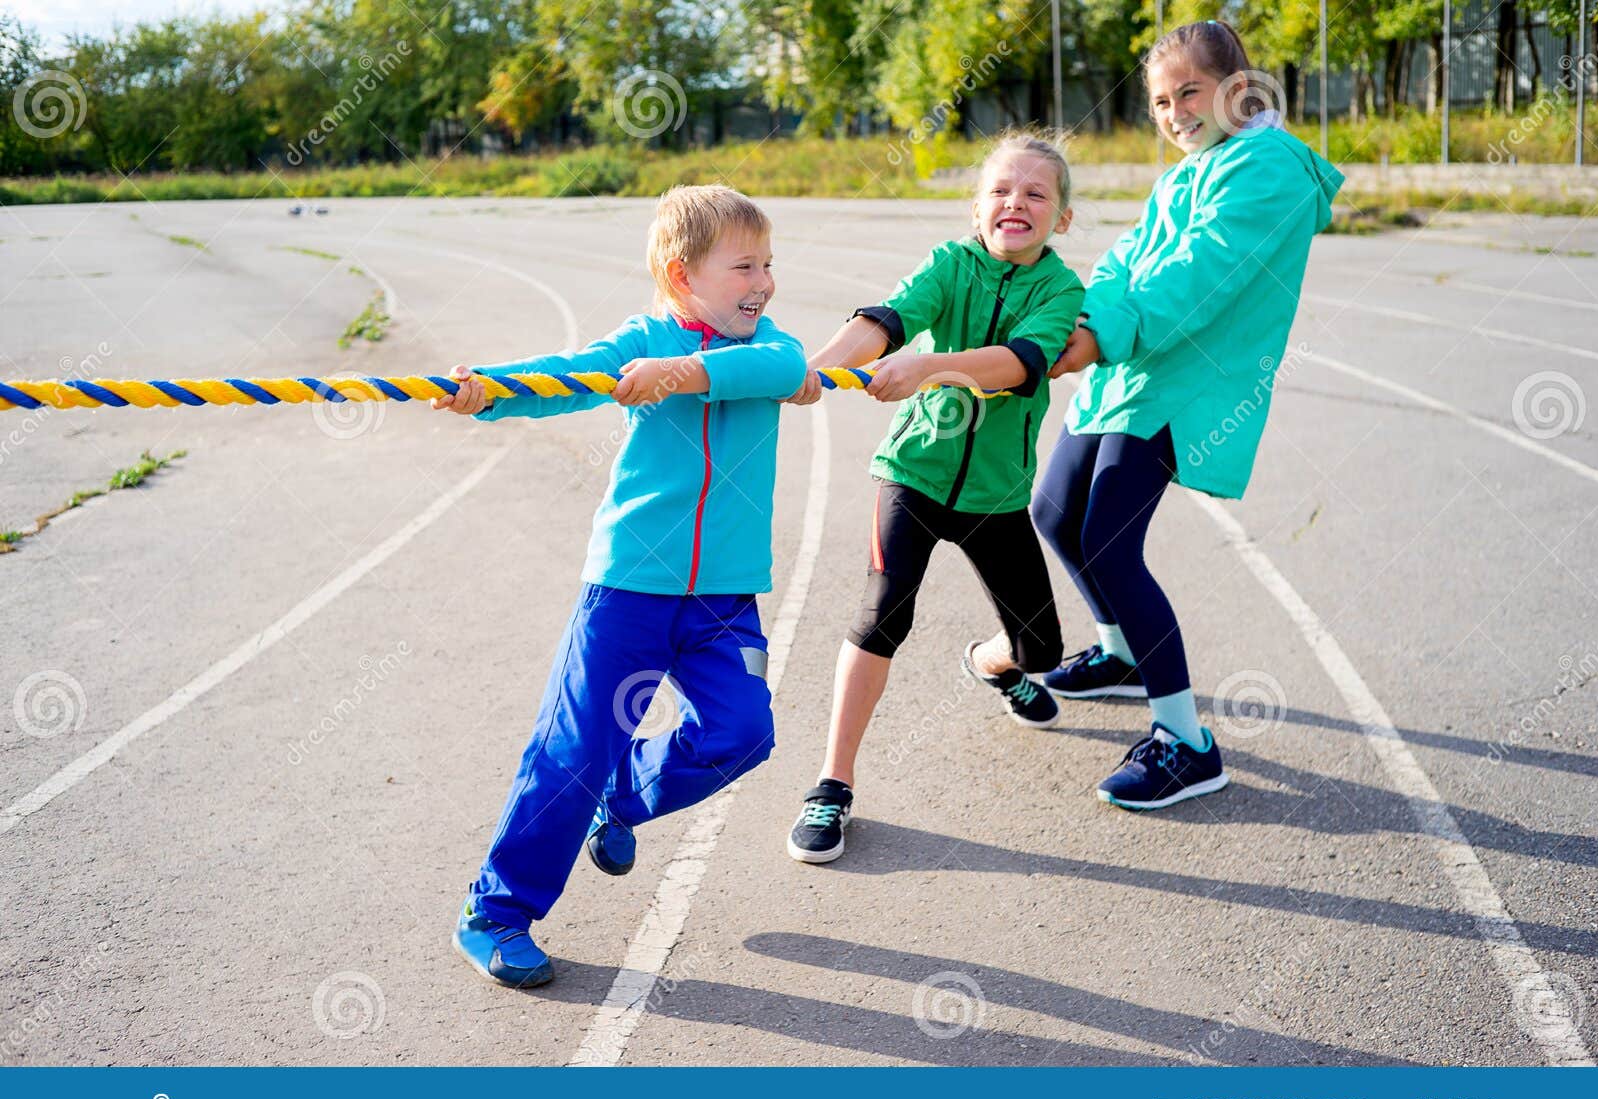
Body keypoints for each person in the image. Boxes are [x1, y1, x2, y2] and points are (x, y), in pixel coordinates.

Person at [437, 184, 808, 985]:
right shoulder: (641, 338)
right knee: (572, 749)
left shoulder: (765, 347)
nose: (765, 282)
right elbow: (566, 376)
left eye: (768, 264)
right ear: (683, 278)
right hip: (630, 588)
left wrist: (681, 372)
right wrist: (490, 388)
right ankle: (495, 912)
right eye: (744, 265)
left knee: (743, 730)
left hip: (723, 598)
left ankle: (626, 793)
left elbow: (783, 365)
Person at [1032, 20, 1344, 810]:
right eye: (1162, 102)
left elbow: (1200, 277)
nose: (1175, 113)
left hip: (1191, 381)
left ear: (1238, 88)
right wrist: (1086, 317)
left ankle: (1186, 740)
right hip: (1132, 368)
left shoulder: (1267, 168)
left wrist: (1102, 333)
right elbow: (1127, 259)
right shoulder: (1186, 171)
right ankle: (1120, 654)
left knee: (1107, 543)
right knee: (1055, 511)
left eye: (1189, 93)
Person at [786, 132, 1085, 865]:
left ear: (1062, 220)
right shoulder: (949, 266)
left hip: (996, 494)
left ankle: (991, 665)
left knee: (1041, 649)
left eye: (1035, 194)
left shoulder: (1062, 291)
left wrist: (929, 367)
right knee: (882, 613)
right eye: (1000, 191)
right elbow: (885, 320)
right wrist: (815, 370)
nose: (1015, 202)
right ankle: (832, 783)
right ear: (976, 207)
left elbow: (1020, 366)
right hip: (914, 474)